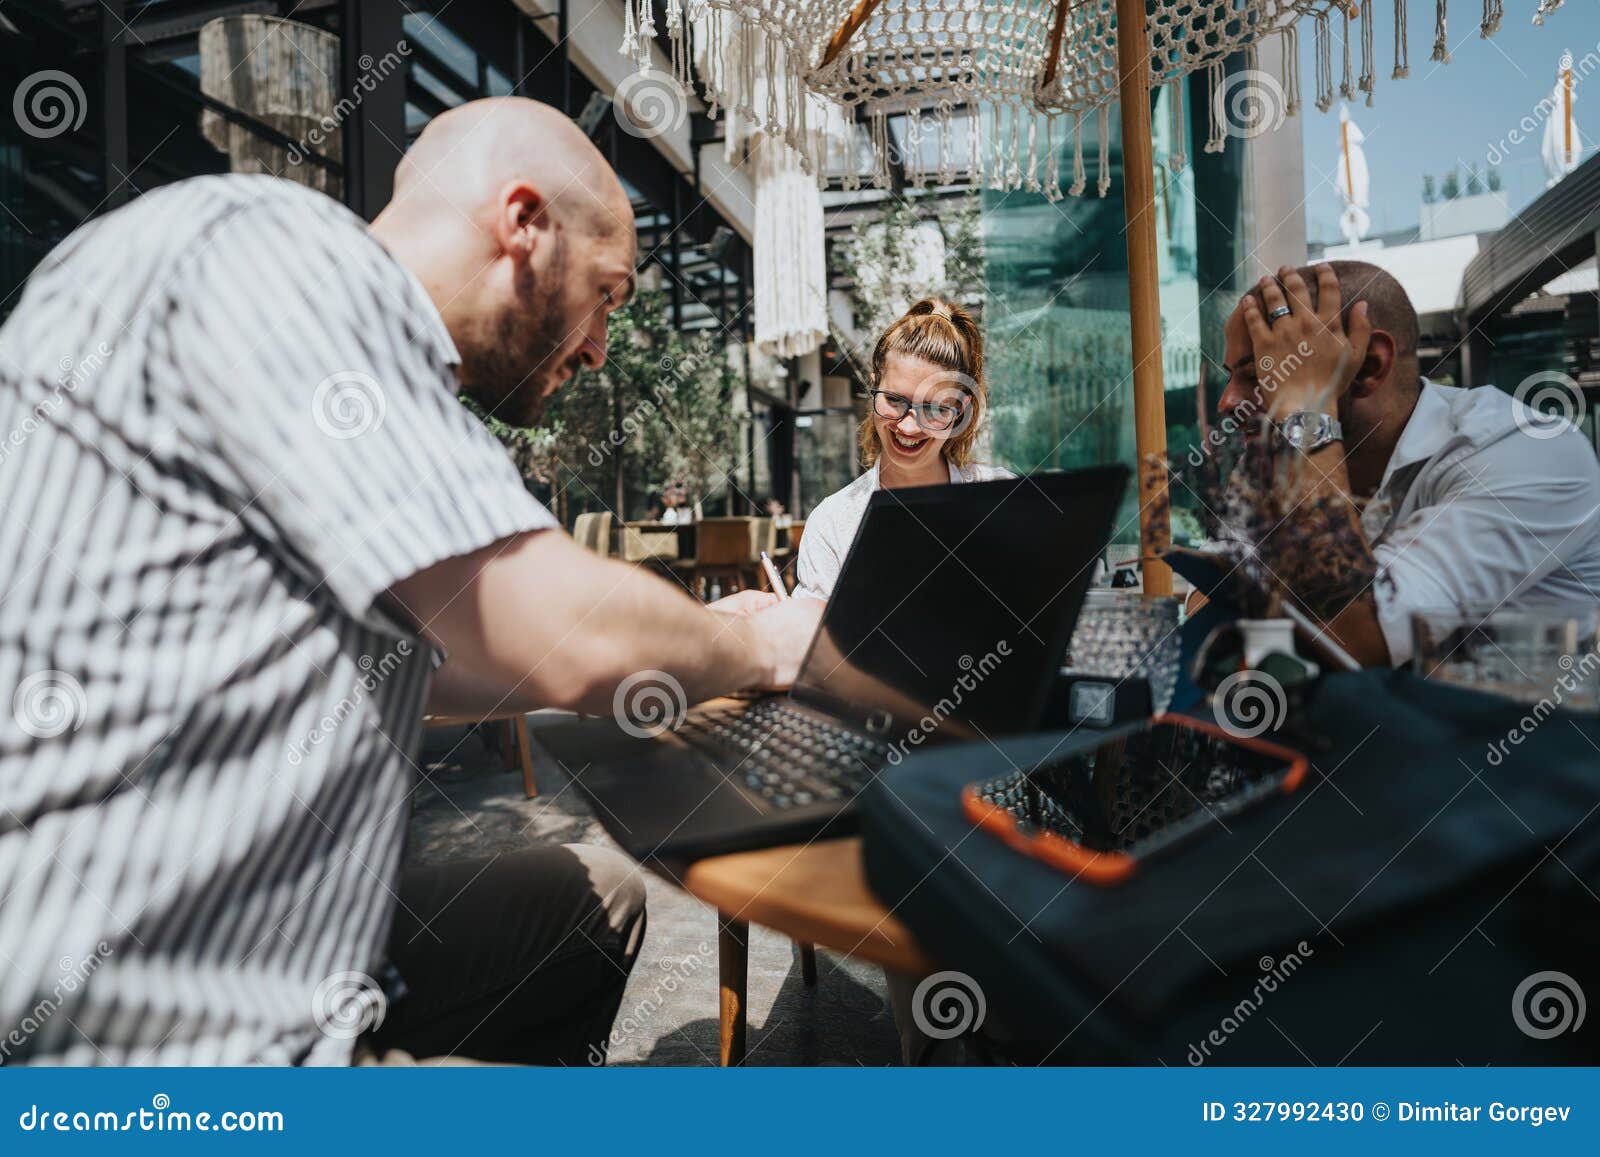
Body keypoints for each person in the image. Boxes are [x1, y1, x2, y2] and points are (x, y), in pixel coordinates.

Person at [0, 97, 821, 1066]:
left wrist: (697, 634)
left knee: (593, 897)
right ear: (522, 224)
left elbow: (429, 663)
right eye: (609, 293)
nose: (601, 344)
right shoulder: (281, 262)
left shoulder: (316, 320)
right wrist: (761, 644)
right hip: (137, 1018)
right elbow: (548, 624)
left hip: (269, 920)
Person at [1216, 260, 1600, 666]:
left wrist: (1305, 413)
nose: (1227, 401)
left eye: (1259, 375)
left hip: (1515, 726)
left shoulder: (1527, 449)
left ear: (1368, 367)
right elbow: (1212, 601)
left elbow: (1356, 641)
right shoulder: (1277, 457)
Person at [795, 299, 1012, 599]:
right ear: (873, 387)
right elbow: (813, 636)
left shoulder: (1003, 499)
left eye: (934, 408)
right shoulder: (832, 523)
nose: (909, 427)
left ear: (960, 410)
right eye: (894, 400)